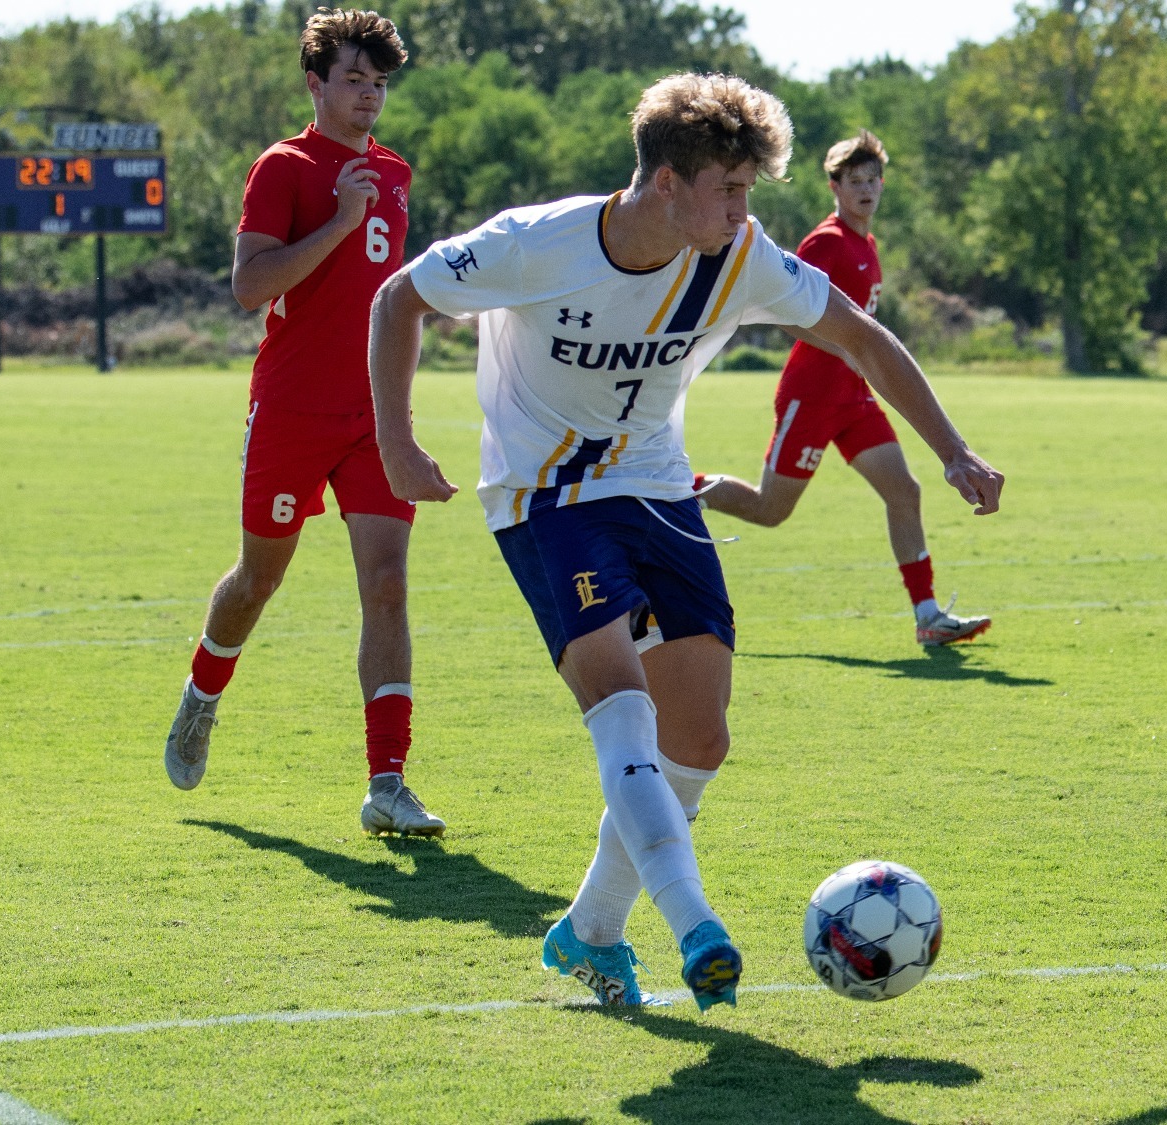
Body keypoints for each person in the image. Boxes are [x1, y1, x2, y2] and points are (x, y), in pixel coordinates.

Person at [366, 73, 1005, 1010]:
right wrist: (395, 439)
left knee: (700, 736)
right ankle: (694, 923)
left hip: (659, 488)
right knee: (622, 706)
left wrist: (952, 448)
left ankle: (589, 930)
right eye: (730, 189)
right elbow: (397, 298)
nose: (745, 210)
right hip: (546, 497)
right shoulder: (535, 243)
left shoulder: (739, 254)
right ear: (667, 182)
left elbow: (862, 339)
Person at [162, 8, 446, 838]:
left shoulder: (394, 172)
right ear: (316, 85)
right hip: (290, 410)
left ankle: (387, 782)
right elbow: (250, 287)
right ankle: (202, 694)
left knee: (387, 584)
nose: (369, 96)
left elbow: (391, 305)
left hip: (371, 417)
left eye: (378, 83)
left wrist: (400, 418)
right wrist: (340, 223)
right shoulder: (282, 167)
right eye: (354, 80)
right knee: (259, 579)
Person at [693, 131, 991, 646]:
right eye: (855, 181)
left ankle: (927, 616)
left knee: (905, 491)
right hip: (811, 396)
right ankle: (683, 491)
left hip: (855, 398)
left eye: (873, 179)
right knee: (770, 509)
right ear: (834, 186)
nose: (866, 189)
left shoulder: (866, 244)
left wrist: (857, 359)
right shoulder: (826, 241)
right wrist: (844, 348)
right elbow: (783, 313)